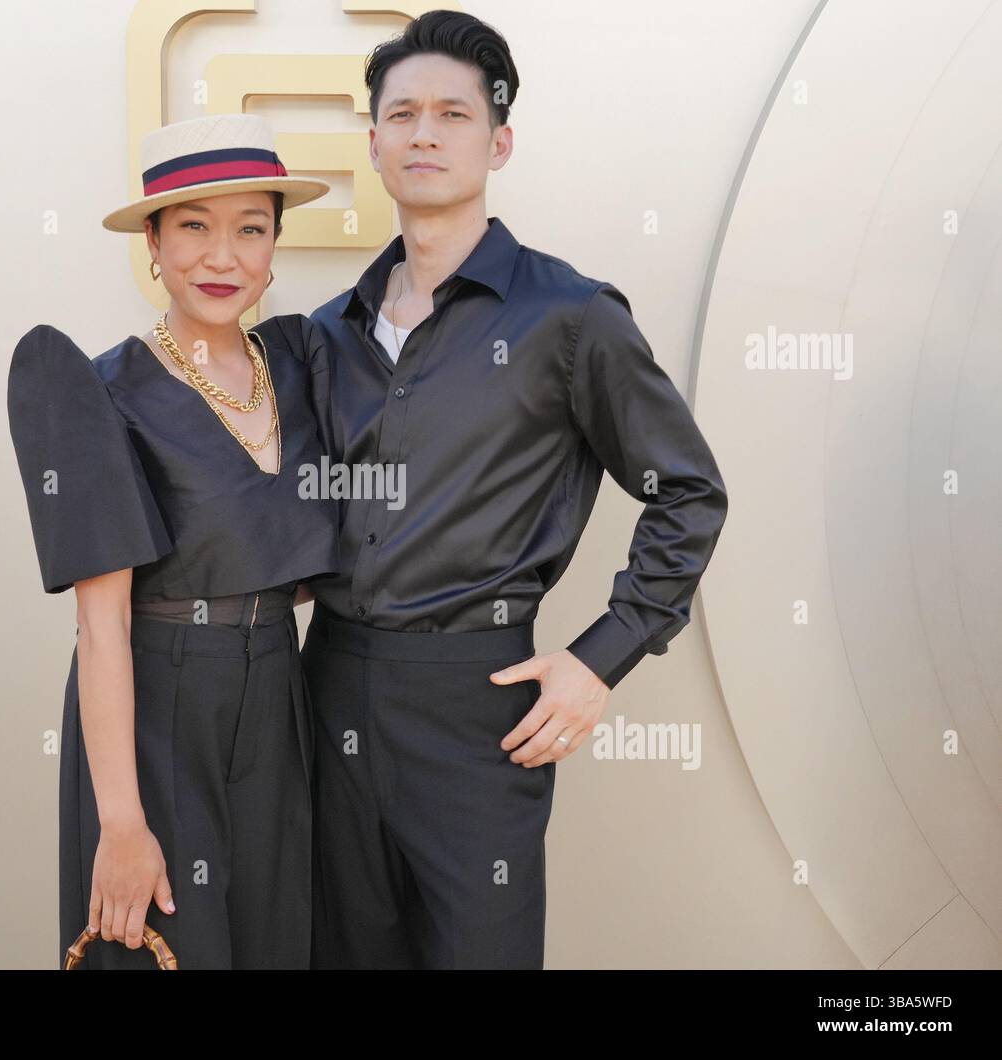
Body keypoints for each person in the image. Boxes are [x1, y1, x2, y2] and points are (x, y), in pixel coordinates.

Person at [300, 11, 730, 968]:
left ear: (498, 140)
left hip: (473, 702)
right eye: (401, 114)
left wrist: (598, 659)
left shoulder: (569, 317)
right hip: (325, 693)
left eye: (452, 114)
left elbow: (689, 491)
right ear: (372, 142)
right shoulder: (330, 331)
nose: (423, 133)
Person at [6, 113, 339, 969]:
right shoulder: (104, 391)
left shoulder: (299, 366)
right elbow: (100, 627)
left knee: (275, 940)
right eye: (194, 226)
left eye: (250, 229)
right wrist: (121, 823)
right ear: (152, 240)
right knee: (166, 945)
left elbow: (296, 553)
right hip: (158, 701)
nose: (223, 257)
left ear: (274, 243)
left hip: (278, 693)